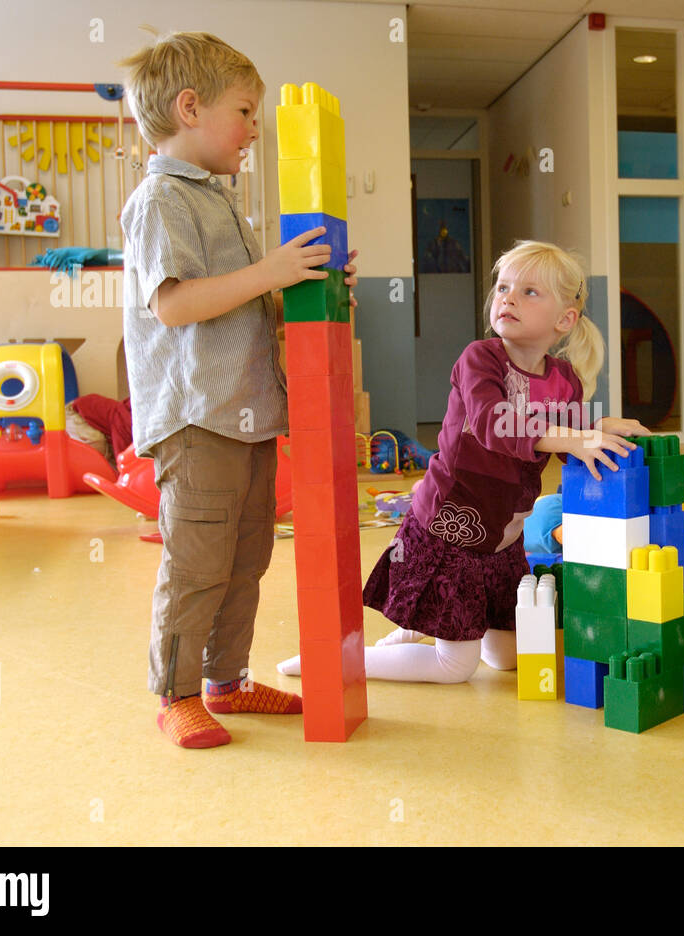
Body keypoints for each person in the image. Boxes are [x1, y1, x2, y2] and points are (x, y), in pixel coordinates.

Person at [119, 30, 358, 748]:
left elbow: (243, 302)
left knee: (247, 555)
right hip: (199, 419)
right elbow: (176, 304)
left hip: (249, 416)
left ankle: (227, 677)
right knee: (197, 562)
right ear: (190, 108)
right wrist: (271, 272)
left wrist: (301, 288)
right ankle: (177, 692)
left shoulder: (220, 199)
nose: (256, 129)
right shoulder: (161, 199)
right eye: (246, 112)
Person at [278, 241, 648, 683]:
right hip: (448, 529)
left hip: (501, 539)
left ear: (564, 320)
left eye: (530, 292)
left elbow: (555, 426)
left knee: (507, 659)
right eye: (503, 287)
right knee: (455, 667)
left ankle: (417, 629)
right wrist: (577, 434)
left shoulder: (563, 379)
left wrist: (598, 425)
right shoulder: (481, 358)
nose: (507, 297)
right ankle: (331, 661)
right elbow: (496, 423)